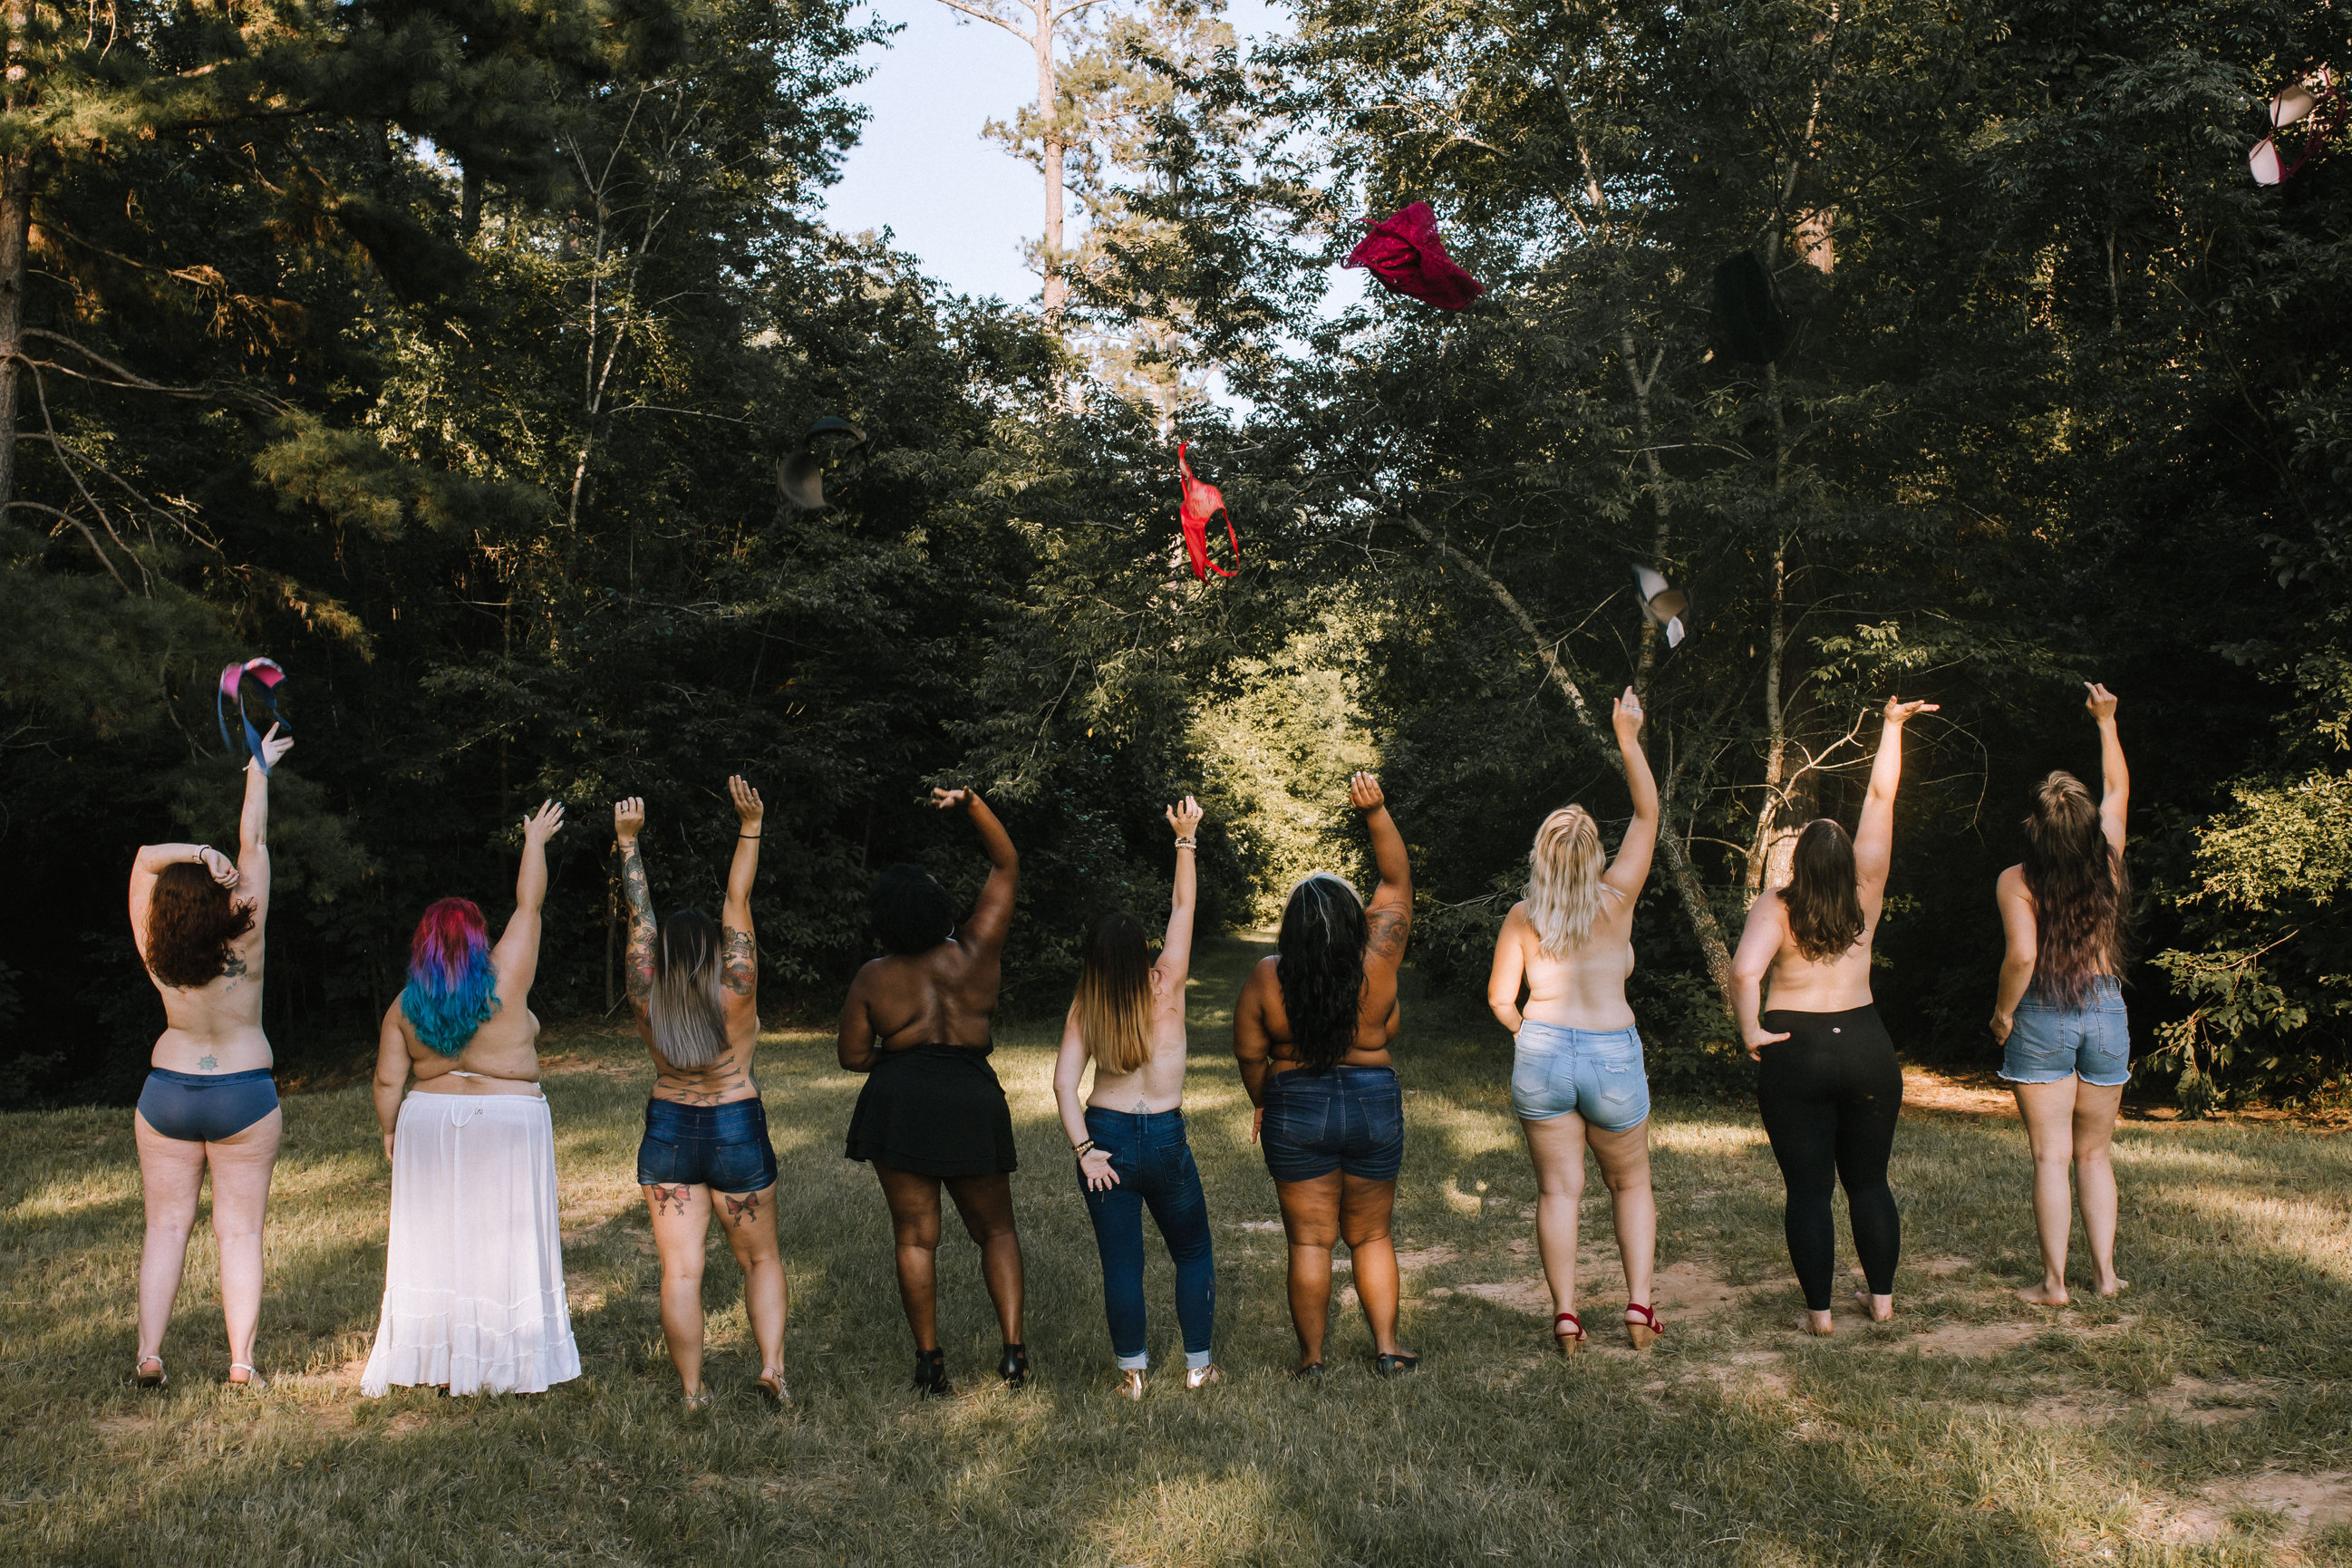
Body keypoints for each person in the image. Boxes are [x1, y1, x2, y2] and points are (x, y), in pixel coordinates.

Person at [361, 800, 583, 1398]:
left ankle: (441, 1357)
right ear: (480, 938)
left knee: (441, 1241)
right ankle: (510, 1357)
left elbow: (388, 1080)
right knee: (504, 1239)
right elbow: (530, 903)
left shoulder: (406, 1004)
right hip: (509, 1118)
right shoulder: (507, 975)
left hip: (429, 1120)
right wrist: (534, 840)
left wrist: (389, 1130)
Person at [1732, 694, 1939, 1334]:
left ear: (1798, 863)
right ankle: (1880, 1303)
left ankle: (1819, 1316)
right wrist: (1890, 728)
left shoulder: (1777, 902)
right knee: (1869, 1183)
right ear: (1845, 861)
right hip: (1866, 1045)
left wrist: (1751, 1032)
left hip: (1795, 1045)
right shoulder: (1865, 891)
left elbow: (1743, 972)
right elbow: (1880, 802)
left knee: (1808, 1190)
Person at [1486, 689, 1662, 1354]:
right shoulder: (1616, 900)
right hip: (1611, 1051)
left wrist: (1531, 1036)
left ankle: (1566, 1318)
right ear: (1591, 856)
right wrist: (1626, 737)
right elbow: (1647, 814)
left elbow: (1502, 1000)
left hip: (1541, 1050)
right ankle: (1639, 1310)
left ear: (1542, 857)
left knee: (1559, 1192)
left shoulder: (1523, 916)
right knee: (1631, 1181)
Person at [837, 787, 1026, 1396]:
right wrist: (971, 803)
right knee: (994, 1229)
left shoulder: (873, 977)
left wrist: (900, 1055)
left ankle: (929, 1364)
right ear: (940, 906)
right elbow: (1006, 863)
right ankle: (1014, 1355)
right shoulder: (977, 950)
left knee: (916, 1237)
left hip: (900, 1100)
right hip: (970, 1095)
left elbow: (852, 1055)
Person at [1234, 770, 1418, 1379]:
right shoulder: (1379, 962)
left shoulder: (1267, 975)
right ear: (1354, 920)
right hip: (1372, 1102)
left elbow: (1248, 1055)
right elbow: (1396, 879)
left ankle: (1311, 1360)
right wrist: (1375, 811)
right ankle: (1386, 1349)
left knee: (1309, 1242)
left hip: (1296, 1106)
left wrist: (1266, 1100)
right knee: (1370, 1236)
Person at [126, 723, 294, 1389]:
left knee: (165, 1227)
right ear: (223, 896)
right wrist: (258, 770)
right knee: (239, 1233)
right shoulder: (245, 927)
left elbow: (144, 858)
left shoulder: (153, 944)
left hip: (165, 1090)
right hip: (243, 1091)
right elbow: (253, 841)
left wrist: (194, 850)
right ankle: (242, 1364)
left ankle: (149, 1354)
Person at [616, 779, 789, 1409]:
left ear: (658, 958)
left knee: (682, 1272)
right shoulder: (736, 985)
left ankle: (692, 1393)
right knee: (760, 1259)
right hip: (735, 1121)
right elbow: (737, 896)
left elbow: (641, 916)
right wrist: (750, 825)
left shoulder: (644, 992)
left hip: (669, 1127)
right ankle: (771, 1367)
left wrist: (627, 844)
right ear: (719, 952)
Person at [1052, 797, 1220, 1399]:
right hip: (1166, 1136)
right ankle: (1198, 1368)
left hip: (1110, 1136)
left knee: (1122, 1263)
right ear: (1142, 951)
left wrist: (1086, 1151)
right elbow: (1183, 904)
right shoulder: (1166, 983)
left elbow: (1062, 1085)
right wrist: (1184, 839)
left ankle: (1132, 1377)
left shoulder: (1086, 1002)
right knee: (1192, 1251)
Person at [1992, 682, 2132, 1304]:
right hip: (2105, 1008)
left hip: (2042, 1013)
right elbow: (2118, 792)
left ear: (2035, 829)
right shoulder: (2108, 861)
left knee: (2051, 1158)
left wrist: (2001, 1014)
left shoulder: (2014, 879)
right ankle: (2104, 1276)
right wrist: (2105, 722)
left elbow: (2022, 956)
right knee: (2094, 1155)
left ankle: (2053, 1285)